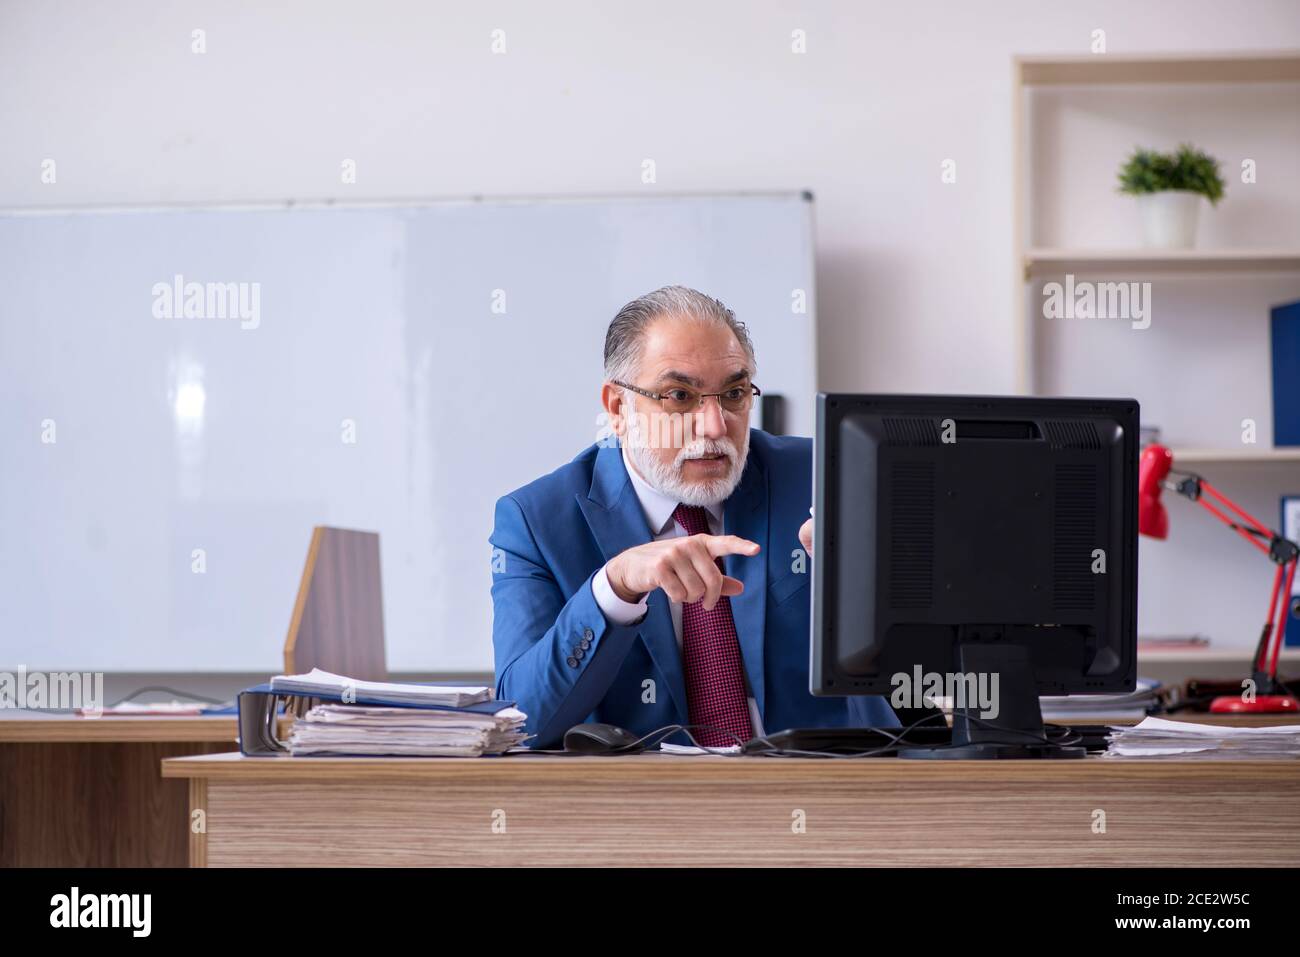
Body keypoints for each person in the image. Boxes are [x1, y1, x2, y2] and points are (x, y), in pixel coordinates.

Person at [490, 285, 897, 749]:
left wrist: (866, 587)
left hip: (827, 792)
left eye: (734, 393)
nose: (715, 426)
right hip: (650, 808)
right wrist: (616, 587)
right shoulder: (537, 520)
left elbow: (907, 687)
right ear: (618, 408)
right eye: (680, 396)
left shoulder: (825, 477)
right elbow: (521, 721)